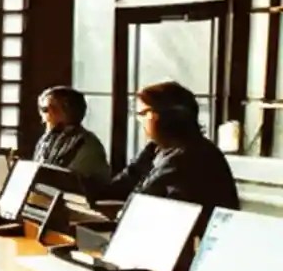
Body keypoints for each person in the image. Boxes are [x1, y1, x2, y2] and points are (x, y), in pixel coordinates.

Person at [99, 81, 239, 210]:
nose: (139, 121)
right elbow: (122, 184)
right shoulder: (156, 148)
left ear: (162, 116)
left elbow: (141, 204)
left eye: (142, 114)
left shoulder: (188, 157)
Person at [31, 86, 110, 188]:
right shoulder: (46, 140)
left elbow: (72, 183)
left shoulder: (87, 144)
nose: (43, 118)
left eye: (45, 110)